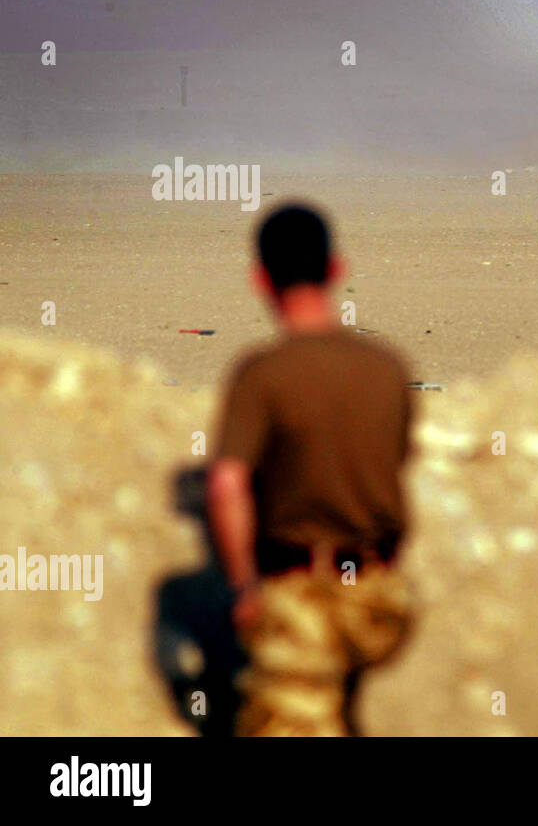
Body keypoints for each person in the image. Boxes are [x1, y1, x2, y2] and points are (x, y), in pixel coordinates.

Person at [207, 202, 415, 736]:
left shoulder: (262, 375)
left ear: (260, 278)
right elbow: (395, 466)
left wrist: (245, 588)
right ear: (336, 269)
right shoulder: (388, 369)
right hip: (381, 599)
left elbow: (228, 484)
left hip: (305, 595)